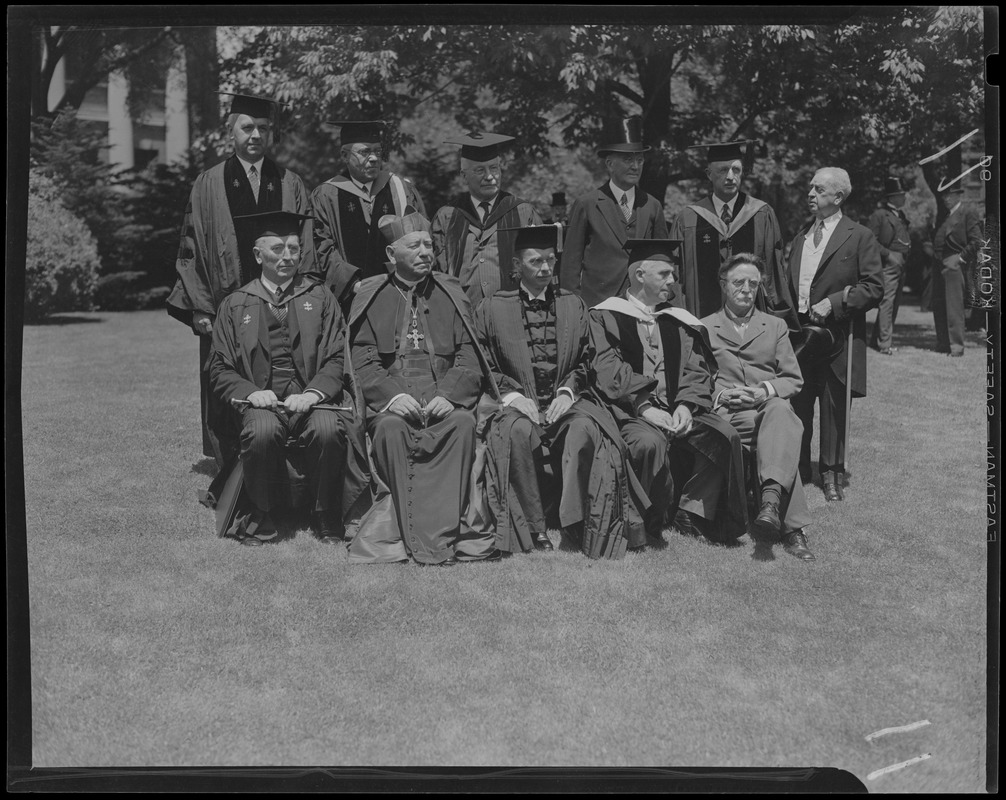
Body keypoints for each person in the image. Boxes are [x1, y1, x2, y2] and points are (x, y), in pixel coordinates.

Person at [474, 225, 647, 559]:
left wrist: (567, 392)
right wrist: (512, 396)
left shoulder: (573, 304)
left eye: (550, 260)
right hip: (515, 403)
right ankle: (532, 528)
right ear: (516, 265)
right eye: (535, 261)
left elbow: (586, 360)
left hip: (564, 401)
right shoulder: (492, 308)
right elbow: (483, 363)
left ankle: (580, 522)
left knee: (585, 428)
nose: (545, 268)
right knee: (517, 432)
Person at [167, 91, 316, 473]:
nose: (255, 135)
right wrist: (199, 305)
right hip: (223, 304)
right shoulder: (208, 183)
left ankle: (283, 455)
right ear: (230, 132)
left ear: (272, 134)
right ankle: (229, 460)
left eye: (263, 128)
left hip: (281, 303)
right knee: (224, 378)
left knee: (283, 374)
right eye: (247, 127)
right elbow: (192, 246)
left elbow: (308, 250)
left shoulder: (291, 183)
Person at [347, 209, 499, 566]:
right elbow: (363, 361)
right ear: (391, 255)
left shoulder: (450, 292)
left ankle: (447, 535)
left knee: (463, 425)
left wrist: (447, 396)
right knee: (390, 429)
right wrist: (393, 397)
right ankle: (403, 532)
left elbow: (469, 355)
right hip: (393, 406)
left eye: (429, 245)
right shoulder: (373, 294)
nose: (425, 252)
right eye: (414, 245)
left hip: (443, 400)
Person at [207, 211, 368, 546]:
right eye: (277, 249)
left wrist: (312, 394)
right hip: (262, 401)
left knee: (327, 429)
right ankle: (259, 511)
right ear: (258, 255)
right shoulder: (236, 304)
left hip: (311, 398)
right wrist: (250, 393)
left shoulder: (321, 297)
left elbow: (338, 356)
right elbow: (220, 368)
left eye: (293, 249)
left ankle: (324, 512)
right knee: (262, 430)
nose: (287, 257)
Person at [591, 239, 748, 545]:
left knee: (725, 434)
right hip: (632, 411)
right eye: (664, 274)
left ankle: (695, 513)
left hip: (677, 410)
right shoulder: (605, 316)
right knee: (649, 442)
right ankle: (648, 523)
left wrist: (687, 406)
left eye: (672, 275)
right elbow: (608, 370)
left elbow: (696, 369)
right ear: (640, 276)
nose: (672, 282)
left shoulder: (678, 320)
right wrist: (646, 407)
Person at [702, 253, 814, 561]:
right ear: (724, 285)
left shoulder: (775, 326)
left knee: (781, 413)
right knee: (783, 434)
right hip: (728, 414)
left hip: (765, 408)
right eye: (739, 282)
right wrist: (723, 394)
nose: (747, 289)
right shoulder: (704, 327)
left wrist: (762, 391)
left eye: (754, 283)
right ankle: (792, 529)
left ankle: (769, 505)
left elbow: (792, 379)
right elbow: (697, 378)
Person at [788, 167, 883, 502]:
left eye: (819, 189)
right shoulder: (800, 234)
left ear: (838, 196)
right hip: (800, 336)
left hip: (837, 338)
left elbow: (873, 288)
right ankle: (796, 470)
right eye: (810, 187)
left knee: (832, 406)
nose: (810, 194)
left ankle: (832, 474)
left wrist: (834, 302)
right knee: (797, 403)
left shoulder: (859, 236)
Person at [671, 140, 794, 323]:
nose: (730, 176)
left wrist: (777, 322)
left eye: (736, 169)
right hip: (700, 323)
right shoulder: (688, 218)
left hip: (752, 325)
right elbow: (675, 275)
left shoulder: (761, 214)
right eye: (722, 170)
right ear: (709, 174)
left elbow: (773, 274)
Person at [309, 120, 426, 309]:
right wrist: (354, 284)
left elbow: (421, 237)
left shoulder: (400, 189)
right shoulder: (326, 195)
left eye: (378, 152)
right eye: (365, 152)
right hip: (351, 299)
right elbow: (321, 247)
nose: (373, 158)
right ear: (345, 156)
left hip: (401, 295)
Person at [560, 117, 669, 308]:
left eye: (639, 160)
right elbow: (570, 265)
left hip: (642, 307)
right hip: (598, 306)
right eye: (628, 160)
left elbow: (663, 260)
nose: (635, 166)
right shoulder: (587, 204)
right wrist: (574, 307)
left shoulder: (652, 206)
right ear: (610, 164)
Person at [431, 132, 542, 307]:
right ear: (463, 175)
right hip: (463, 315)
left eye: (494, 168)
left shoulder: (522, 212)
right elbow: (437, 272)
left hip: (515, 314)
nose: (489, 176)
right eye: (480, 170)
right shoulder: (448, 216)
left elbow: (540, 267)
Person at [931, 175, 983, 357]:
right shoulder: (948, 215)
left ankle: (957, 347)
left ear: (958, 195)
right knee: (939, 306)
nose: (946, 198)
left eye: (950, 195)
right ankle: (943, 343)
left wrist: (959, 259)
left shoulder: (968, 212)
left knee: (954, 308)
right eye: (944, 195)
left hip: (954, 266)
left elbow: (977, 241)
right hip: (939, 265)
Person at [867, 177, 913, 355]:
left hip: (902, 263)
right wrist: (888, 255)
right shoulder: (880, 215)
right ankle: (885, 344)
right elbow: (870, 240)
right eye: (901, 195)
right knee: (887, 303)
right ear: (892, 197)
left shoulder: (900, 215)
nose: (904, 198)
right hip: (889, 264)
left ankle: (877, 341)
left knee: (893, 304)